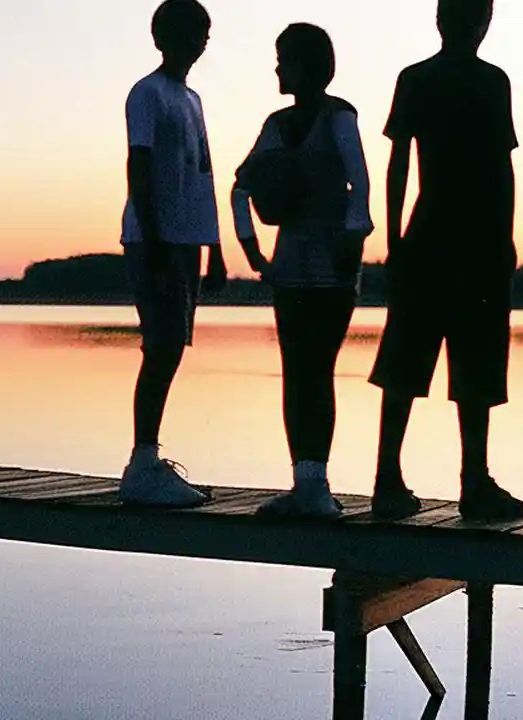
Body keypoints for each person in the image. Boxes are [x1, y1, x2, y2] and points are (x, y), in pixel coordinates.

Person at [368, 0, 523, 521]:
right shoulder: (451, 80)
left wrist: (395, 241)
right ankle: (441, 479)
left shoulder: (461, 80)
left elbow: (401, 168)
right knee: (423, 361)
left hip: (453, 241)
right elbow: (401, 165)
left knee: (443, 362)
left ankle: (446, 479)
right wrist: (394, 241)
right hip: (452, 240)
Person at [231, 23, 374, 518]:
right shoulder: (275, 125)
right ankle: (305, 482)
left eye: (284, 59)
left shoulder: (339, 119)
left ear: (309, 65)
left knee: (317, 370)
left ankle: (316, 487)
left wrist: (351, 248)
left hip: (331, 271)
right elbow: (241, 187)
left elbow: (360, 186)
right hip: (290, 270)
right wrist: (252, 254)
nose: (276, 67)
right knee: (298, 373)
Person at [118, 0, 227, 508]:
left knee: (172, 348)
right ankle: (142, 463)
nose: (203, 41)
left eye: (205, 32)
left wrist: (217, 247)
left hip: (188, 242)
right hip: (155, 239)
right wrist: (158, 246)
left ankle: (149, 458)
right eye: (194, 32)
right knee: (159, 347)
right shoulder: (147, 94)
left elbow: (203, 174)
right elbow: (137, 168)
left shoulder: (193, 99)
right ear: (166, 37)